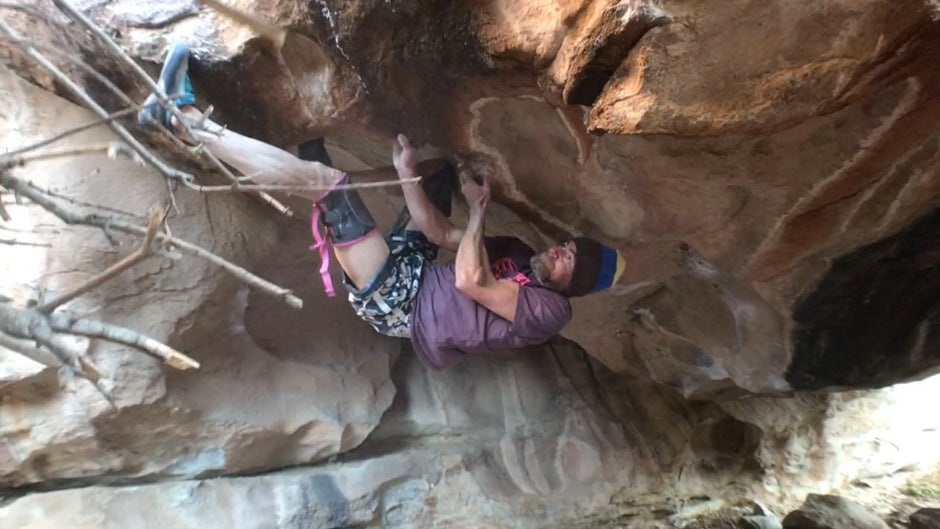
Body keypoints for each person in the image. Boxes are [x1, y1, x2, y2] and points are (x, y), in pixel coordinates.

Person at [139, 42, 625, 370]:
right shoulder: (517, 251)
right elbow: (438, 234)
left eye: (570, 259)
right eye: (566, 245)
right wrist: (404, 169)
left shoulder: (550, 311)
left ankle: (183, 119)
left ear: (576, 283)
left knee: (326, 189)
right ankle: (321, 174)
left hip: (401, 304)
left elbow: (469, 280)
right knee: (433, 172)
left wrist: (478, 211)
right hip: (418, 270)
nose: (559, 250)